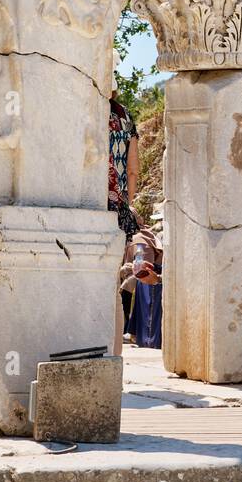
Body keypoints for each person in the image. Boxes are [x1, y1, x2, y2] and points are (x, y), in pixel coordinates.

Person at [109, 86, 140, 353]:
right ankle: (115, 358)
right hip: (116, 207)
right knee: (113, 289)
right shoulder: (125, 117)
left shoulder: (86, 109)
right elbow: (132, 168)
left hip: (87, 205)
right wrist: (127, 202)